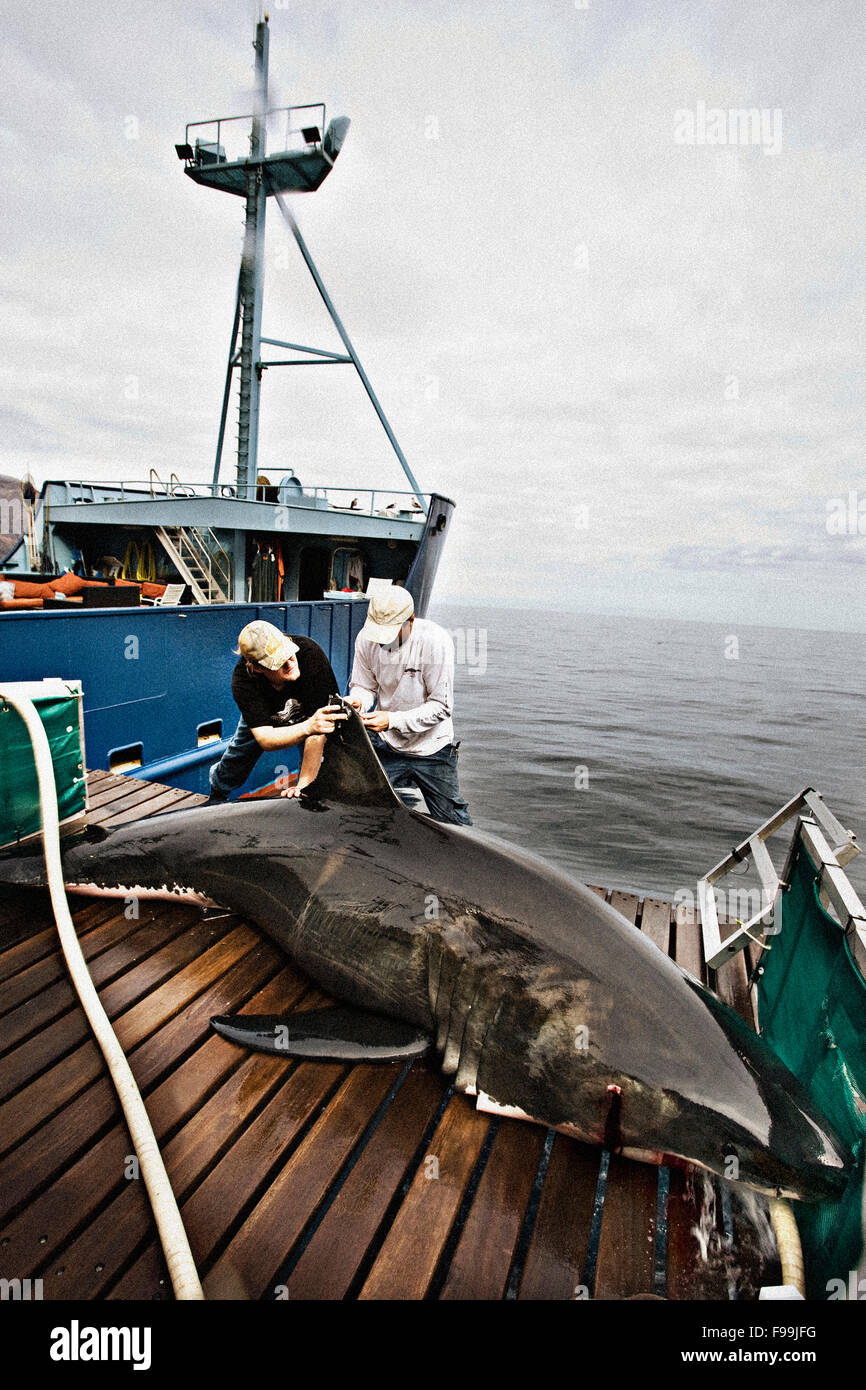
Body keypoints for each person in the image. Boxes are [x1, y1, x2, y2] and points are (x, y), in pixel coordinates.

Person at [348, 585, 471, 825]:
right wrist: (358, 701)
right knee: (358, 809)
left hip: (431, 748)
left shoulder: (435, 641)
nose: (385, 642)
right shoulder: (365, 638)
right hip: (386, 743)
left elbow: (441, 706)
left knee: (454, 824)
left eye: (392, 634)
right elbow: (365, 686)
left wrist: (391, 720)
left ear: (411, 620)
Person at [207, 620, 345, 802]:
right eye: (279, 662)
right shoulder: (243, 680)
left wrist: (303, 785)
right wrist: (308, 727)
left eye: (290, 654)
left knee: (324, 762)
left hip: (311, 714)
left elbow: (319, 731)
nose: (290, 663)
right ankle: (218, 791)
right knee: (239, 753)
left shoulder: (310, 654)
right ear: (257, 668)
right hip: (268, 716)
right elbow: (266, 739)